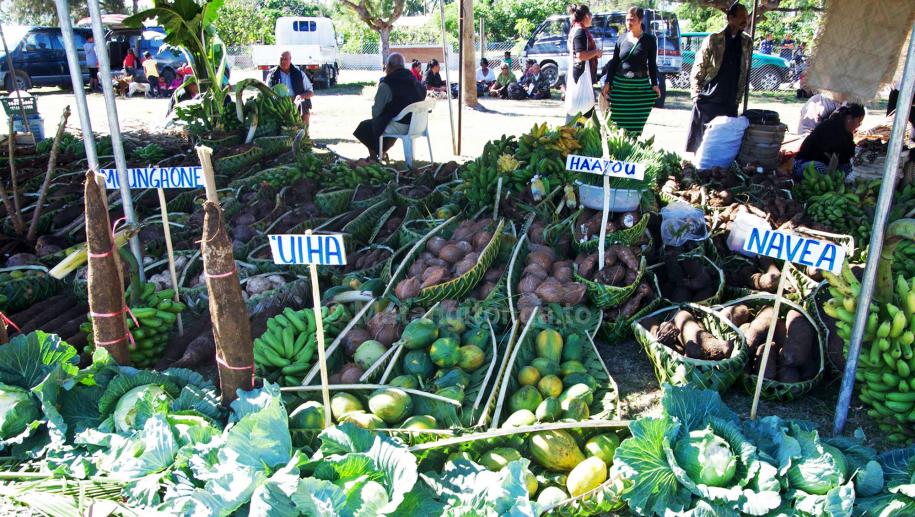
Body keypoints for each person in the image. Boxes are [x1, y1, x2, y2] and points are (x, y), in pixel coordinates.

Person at [685, 2, 752, 153]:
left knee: (724, 137)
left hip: (730, 97)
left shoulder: (747, 42)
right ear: (730, 18)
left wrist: (738, 96)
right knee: (702, 137)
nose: (745, 21)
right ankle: (698, 165)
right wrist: (696, 93)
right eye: (741, 17)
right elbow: (699, 66)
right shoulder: (714, 39)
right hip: (710, 95)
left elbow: (745, 69)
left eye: (746, 17)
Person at [600, 7, 661, 137]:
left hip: (639, 88)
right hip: (621, 87)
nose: (628, 22)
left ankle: (633, 143)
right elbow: (614, 62)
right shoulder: (621, 39)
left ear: (640, 20)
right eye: (627, 20)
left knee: (636, 122)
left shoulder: (649, 40)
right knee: (618, 121)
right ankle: (617, 144)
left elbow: (652, 64)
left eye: (632, 19)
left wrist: (654, 84)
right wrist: (608, 82)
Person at [353, 53, 425, 161]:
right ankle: (381, 152)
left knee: (365, 127)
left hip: (401, 125)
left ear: (389, 66)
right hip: (418, 124)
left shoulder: (387, 84)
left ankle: (374, 158)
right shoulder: (413, 80)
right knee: (385, 122)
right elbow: (423, 93)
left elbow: (376, 112)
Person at [793, 103, 865, 178]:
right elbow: (836, 153)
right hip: (805, 163)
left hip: (827, 164)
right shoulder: (829, 126)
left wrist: (857, 147)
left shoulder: (847, 133)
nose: (859, 125)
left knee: (851, 169)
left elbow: (847, 155)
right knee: (821, 169)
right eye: (858, 121)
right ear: (849, 119)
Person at [565, 4, 600, 122]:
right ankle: (576, 131)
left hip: (577, 72)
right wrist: (596, 52)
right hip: (581, 74)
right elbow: (581, 55)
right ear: (586, 16)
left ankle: (576, 130)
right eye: (591, 15)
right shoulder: (580, 31)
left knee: (582, 109)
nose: (591, 18)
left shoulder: (574, 29)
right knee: (584, 110)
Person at [267, 51, 315, 125]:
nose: (283, 61)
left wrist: (300, 96)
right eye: (281, 59)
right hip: (279, 105)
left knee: (304, 104)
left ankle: (305, 131)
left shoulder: (299, 74)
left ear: (290, 59)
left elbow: (311, 92)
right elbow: (267, 93)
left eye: (285, 59)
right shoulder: (272, 75)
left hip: (297, 104)